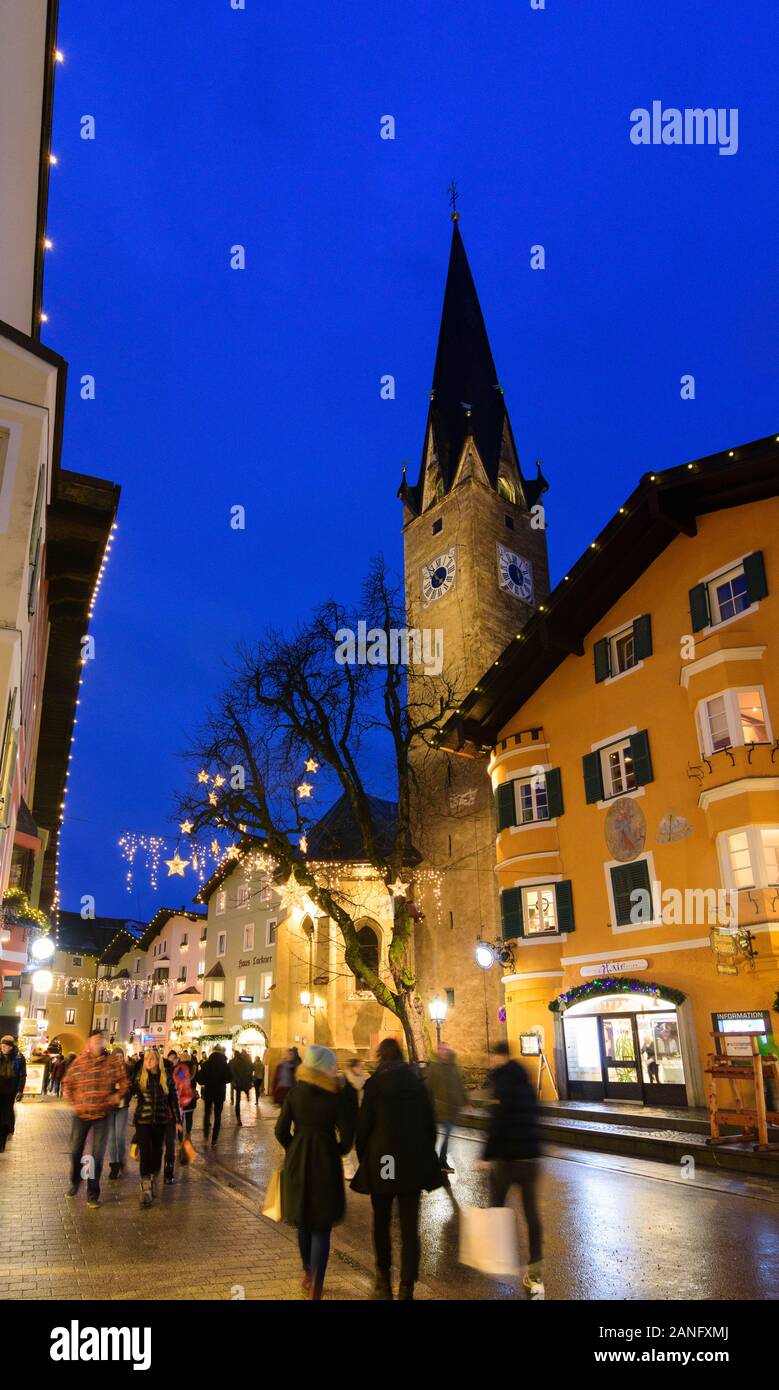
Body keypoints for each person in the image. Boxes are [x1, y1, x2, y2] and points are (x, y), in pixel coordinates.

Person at [351, 1037, 442, 1301]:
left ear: (381, 1056)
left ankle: (382, 1280)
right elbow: (430, 1124)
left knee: (382, 1221)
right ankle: (407, 1286)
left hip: (384, 1161)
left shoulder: (376, 1084)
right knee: (409, 1225)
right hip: (412, 1161)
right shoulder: (418, 1084)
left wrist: (365, 1155)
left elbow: (363, 1126)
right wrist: (425, 1154)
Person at [275, 1044, 357, 1300]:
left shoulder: (296, 1092)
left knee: (303, 1220)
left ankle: (308, 1272)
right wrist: (338, 1149)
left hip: (299, 1159)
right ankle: (317, 1286)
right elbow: (347, 1133)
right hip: (325, 1160)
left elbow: (280, 1130)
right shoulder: (336, 1093)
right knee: (321, 1225)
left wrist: (294, 1147)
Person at [481, 1040, 544, 1299]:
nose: (489, 1061)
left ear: (499, 1057)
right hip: (529, 1156)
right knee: (531, 1212)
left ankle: (498, 1256)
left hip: (508, 1158)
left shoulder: (502, 1082)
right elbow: (534, 1116)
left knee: (496, 1205)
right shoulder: (525, 1081)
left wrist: (486, 1155)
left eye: (491, 1057)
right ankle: (535, 1266)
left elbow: (499, 1122)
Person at [62, 1030, 128, 1207]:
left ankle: (92, 1193)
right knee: (75, 1151)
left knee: (96, 1156)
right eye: (95, 1039)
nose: (98, 1042)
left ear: (104, 1043)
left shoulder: (112, 1063)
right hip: (81, 1114)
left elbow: (124, 1081)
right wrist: (72, 1099)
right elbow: (67, 1082)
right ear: (89, 1043)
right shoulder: (79, 1062)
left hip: (101, 1115)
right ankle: (76, 1180)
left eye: (101, 1039)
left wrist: (117, 1096)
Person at [132, 1048, 182, 1207]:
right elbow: (129, 1092)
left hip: (161, 1120)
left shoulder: (166, 1078)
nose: (148, 1062)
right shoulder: (140, 1077)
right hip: (143, 1120)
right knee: (145, 1151)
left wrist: (178, 1120)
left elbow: (173, 1099)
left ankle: (153, 1176)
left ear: (157, 1061)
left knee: (157, 1151)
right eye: (146, 1059)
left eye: (151, 1059)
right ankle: (145, 1185)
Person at [426, 1042, 466, 1174]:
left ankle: (439, 1160)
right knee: (444, 1136)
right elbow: (428, 1088)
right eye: (440, 1050)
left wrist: (466, 1101)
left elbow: (460, 1085)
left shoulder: (454, 1067)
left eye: (445, 1049)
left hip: (453, 1108)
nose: (443, 1052)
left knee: (447, 1136)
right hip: (440, 1109)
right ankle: (441, 1161)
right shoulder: (434, 1068)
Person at [107, 1046, 134, 1179]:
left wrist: (126, 1092)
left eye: (121, 1057)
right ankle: (114, 1165)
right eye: (116, 1057)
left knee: (120, 1137)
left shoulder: (128, 1069)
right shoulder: (108, 1071)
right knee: (111, 1138)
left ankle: (122, 1159)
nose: (118, 1059)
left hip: (123, 1107)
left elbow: (132, 1087)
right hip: (110, 1107)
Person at [198, 1045, 231, 1146]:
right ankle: (214, 1140)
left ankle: (205, 1137)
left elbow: (200, 1080)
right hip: (220, 1093)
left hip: (209, 1092)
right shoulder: (225, 1064)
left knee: (207, 1114)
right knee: (217, 1116)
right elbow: (230, 1078)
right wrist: (222, 1081)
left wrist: (207, 1081)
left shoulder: (206, 1063)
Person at [0, 1035, 27, 1152]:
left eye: (5, 1046)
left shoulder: (19, 1058)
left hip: (10, 1091)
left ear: (11, 1046)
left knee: (7, 1115)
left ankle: (5, 1134)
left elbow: (22, 1075)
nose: (3, 1048)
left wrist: (20, 1090)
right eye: (1, 1045)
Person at [171, 1050, 198, 1142]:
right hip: (191, 1095)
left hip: (181, 1096)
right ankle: (188, 1134)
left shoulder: (179, 1069)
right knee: (189, 1116)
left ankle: (180, 1138)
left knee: (180, 1118)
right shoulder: (194, 1068)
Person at [230, 1048, 253, 1126]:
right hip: (244, 1083)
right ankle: (247, 1094)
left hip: (237, 1084)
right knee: (245, 1089)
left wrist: (234, 1081)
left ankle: (238, 1119)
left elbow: (230, 1072)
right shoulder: (244, 1061)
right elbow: (250, 1069)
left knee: (237, 1102)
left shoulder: (232, 1062)